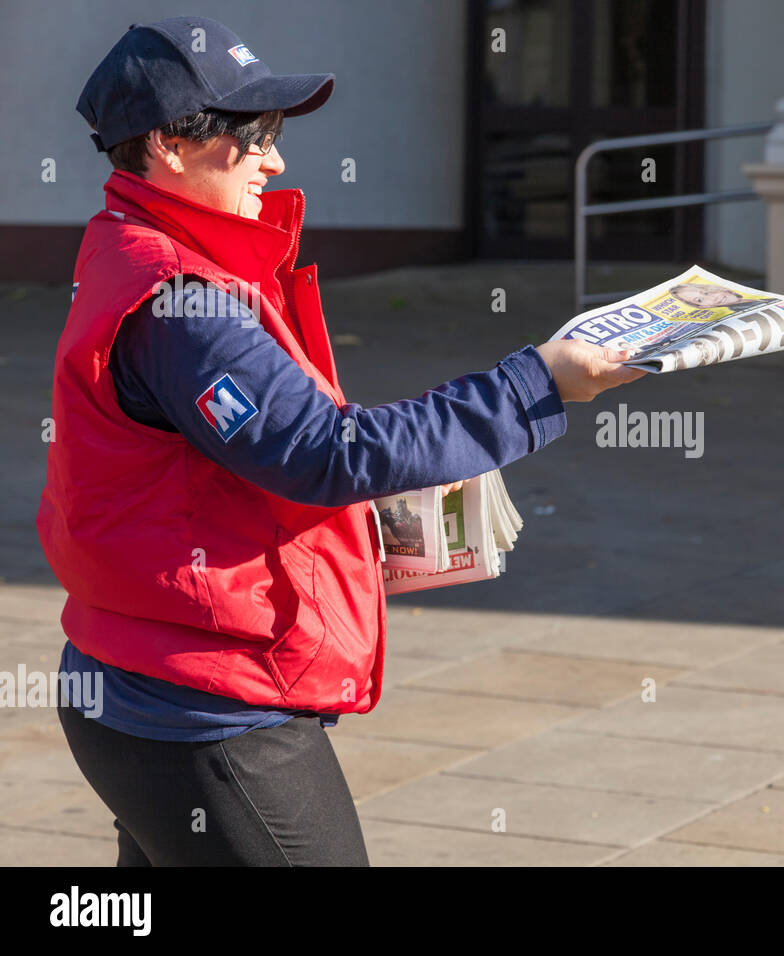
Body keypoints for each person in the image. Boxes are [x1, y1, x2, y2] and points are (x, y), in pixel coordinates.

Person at [38, 16, 644, 866]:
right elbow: (324, 452)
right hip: (205, 716)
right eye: (251, 137)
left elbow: (221, 466)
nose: (274, 160)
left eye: (274, 134)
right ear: (169, 144)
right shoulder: (182, 300)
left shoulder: (137, 252)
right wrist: (535, 384)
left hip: (137, 686)